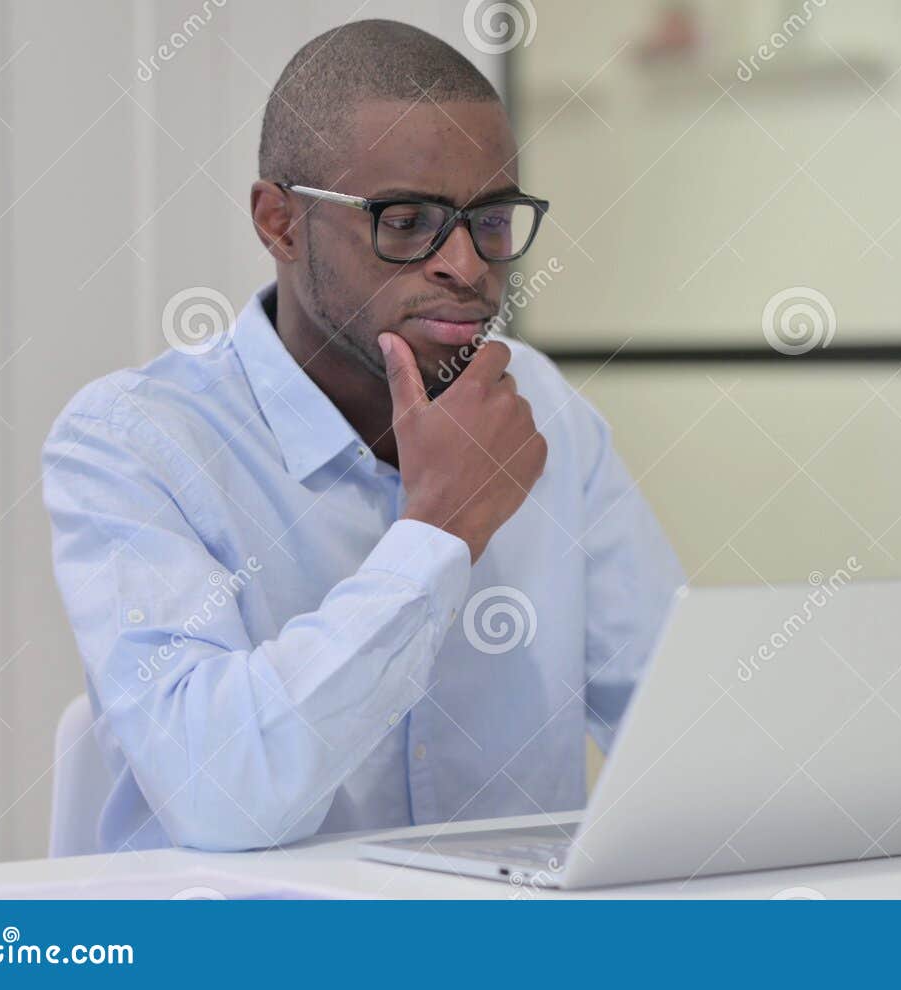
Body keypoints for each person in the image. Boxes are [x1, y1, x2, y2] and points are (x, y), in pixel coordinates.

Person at [41, 19, 683, 852]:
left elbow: (681, 729)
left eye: (491, 219)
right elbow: (222, 795)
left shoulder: (542, 406)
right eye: (408, 219)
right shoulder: (134, 441)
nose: (467, 264)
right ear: (280, 223)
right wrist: (437, 533)